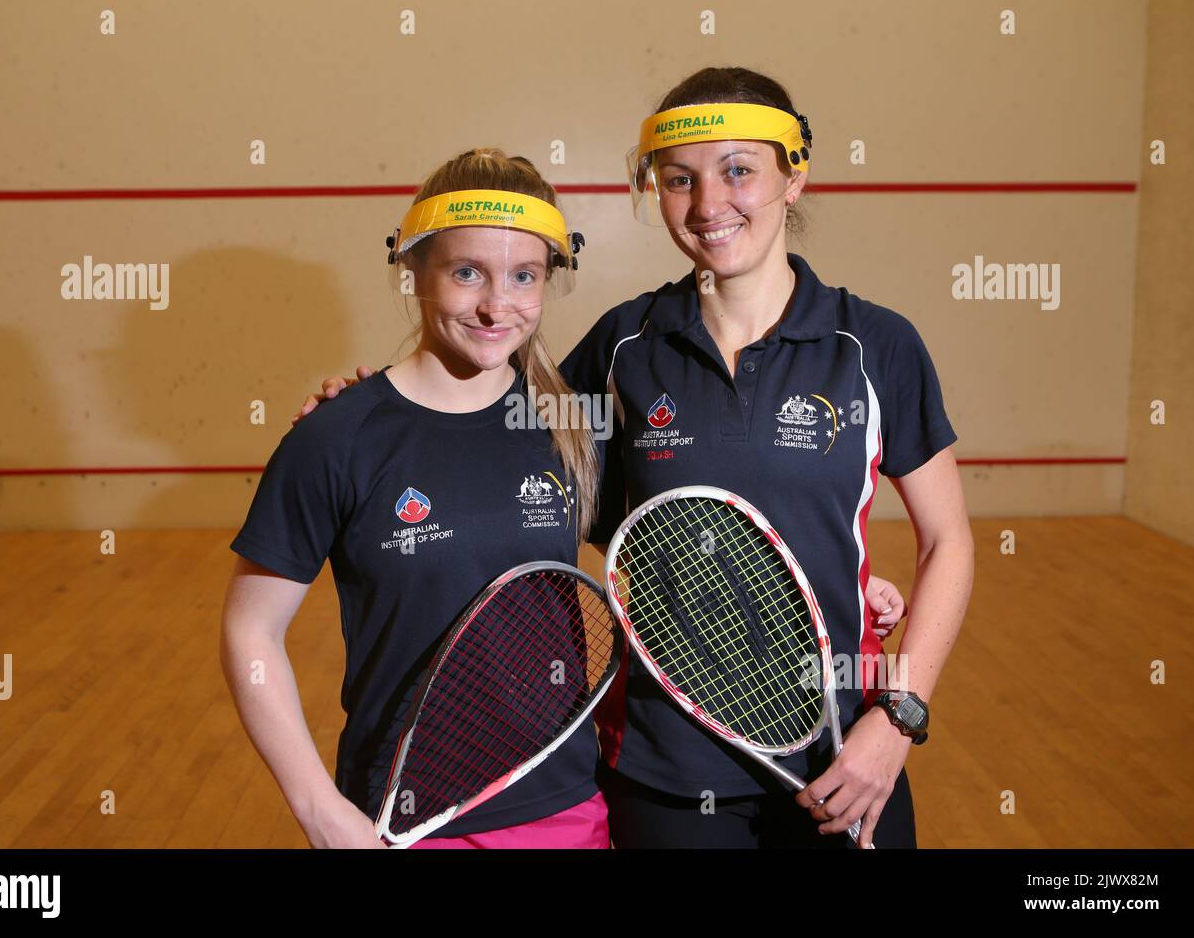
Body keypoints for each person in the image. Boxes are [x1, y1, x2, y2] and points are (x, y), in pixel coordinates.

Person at [296, 72, 945, 849]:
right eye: (679, 179)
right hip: (660, 765)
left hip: (847, 751)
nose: (709, 205)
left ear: (794, 174)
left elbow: (950, 542)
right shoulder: (623, 347)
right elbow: (496, 456)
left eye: (739, 169)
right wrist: (370, 408)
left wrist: (899, 716)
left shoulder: (876, 346)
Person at [220, 148, 610, 848]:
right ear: (414, 268)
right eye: (467, 273)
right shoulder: (336, 439)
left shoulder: (573, 426)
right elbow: (251, 632)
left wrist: (874, 589)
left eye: (524, 276)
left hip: (563, 805)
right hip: (402, 815)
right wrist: (319, 810)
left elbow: (673, 542)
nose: (497, 305)